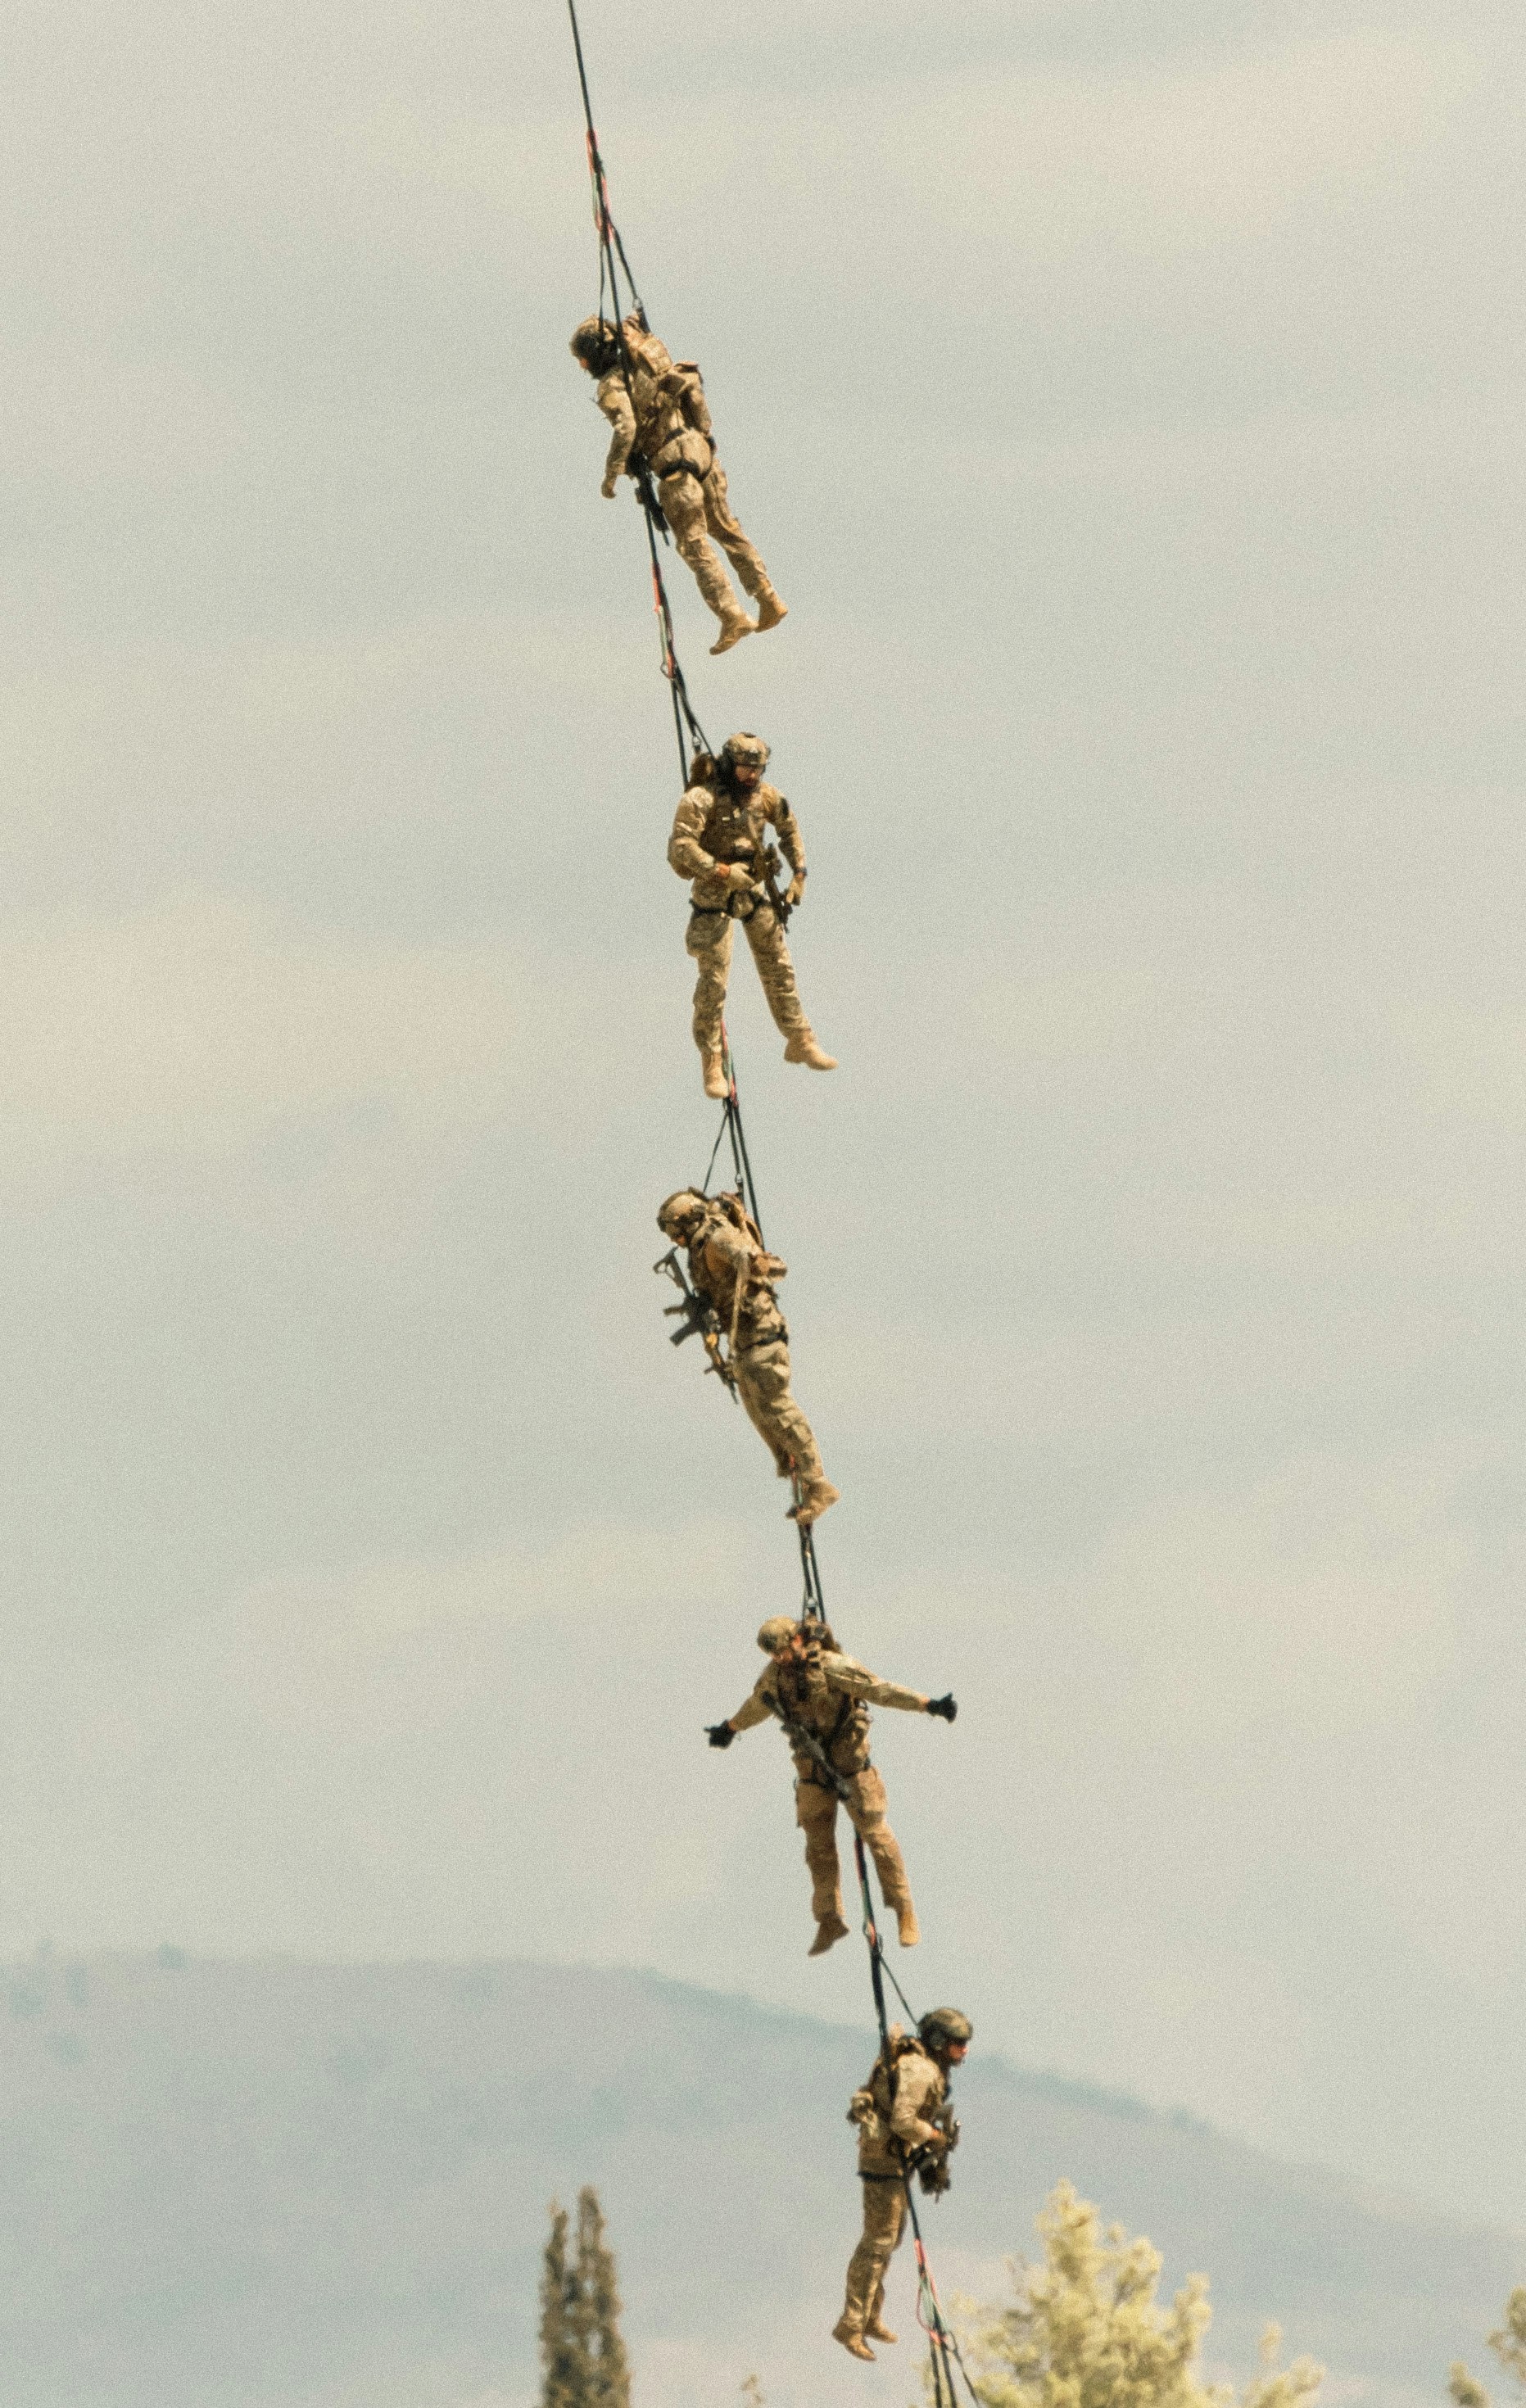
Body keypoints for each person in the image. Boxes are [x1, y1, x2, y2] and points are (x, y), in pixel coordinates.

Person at [706, 1615, 957, 1955]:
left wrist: (929, 1705)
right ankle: (829, 1919)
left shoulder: (832, 1667)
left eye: (782, 1651)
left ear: (796, 1640)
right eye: (773, 1656)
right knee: (818, 1848)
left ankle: (904, 1910)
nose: (779, 1660)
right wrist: (730, 1728)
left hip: (851, 1768)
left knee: (878, 1838)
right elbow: (755, 1707)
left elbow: (880, 1690)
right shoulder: (775, 1679)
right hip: (813, 1771)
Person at [570, 313, 787, 655]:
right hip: (701, 454)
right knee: (728, 531)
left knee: (694, 546)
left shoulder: (613, 384)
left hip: (674, 468)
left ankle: (733, 616)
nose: (582, 366)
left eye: (582, 359)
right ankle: (769, 598)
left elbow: (626, 428)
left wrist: (611, 474)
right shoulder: (649, 359)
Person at [654, 1188, 838, 1525]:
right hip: (743, 1344)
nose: (676, 1240)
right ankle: (790, 1459)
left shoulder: (716, 1239)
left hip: (761, 1339)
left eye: (675, 1231)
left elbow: (752, 1258)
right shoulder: (697, 1251)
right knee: (756, 1408)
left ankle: (818, 1483)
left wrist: (752, 1261)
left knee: (778, 1407)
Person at [668, 731, 835, 1100]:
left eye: (758, 770)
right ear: (730, 765)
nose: (752, 777)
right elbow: (680, 848)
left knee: (779, 966)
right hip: (714, 894)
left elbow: (790, 829)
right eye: (745, 769)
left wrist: (799, 874)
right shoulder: (701, 799)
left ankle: (799, 1038)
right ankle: (711, 1059)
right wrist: (723, 872)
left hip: (755, 891)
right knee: (713, 981)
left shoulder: (767, 798)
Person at [834, 2008, 974, 2361]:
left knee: (889, 2240)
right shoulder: (921, 2071)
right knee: (877, 2243)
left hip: (894, 2160)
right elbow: (903, 2120)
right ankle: (851, 2325)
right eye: (958, 2044)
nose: (964, 2052)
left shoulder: (929, 2068)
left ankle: (869, 2317)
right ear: (941, 2042)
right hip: (884, 2161)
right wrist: (935, 2137)